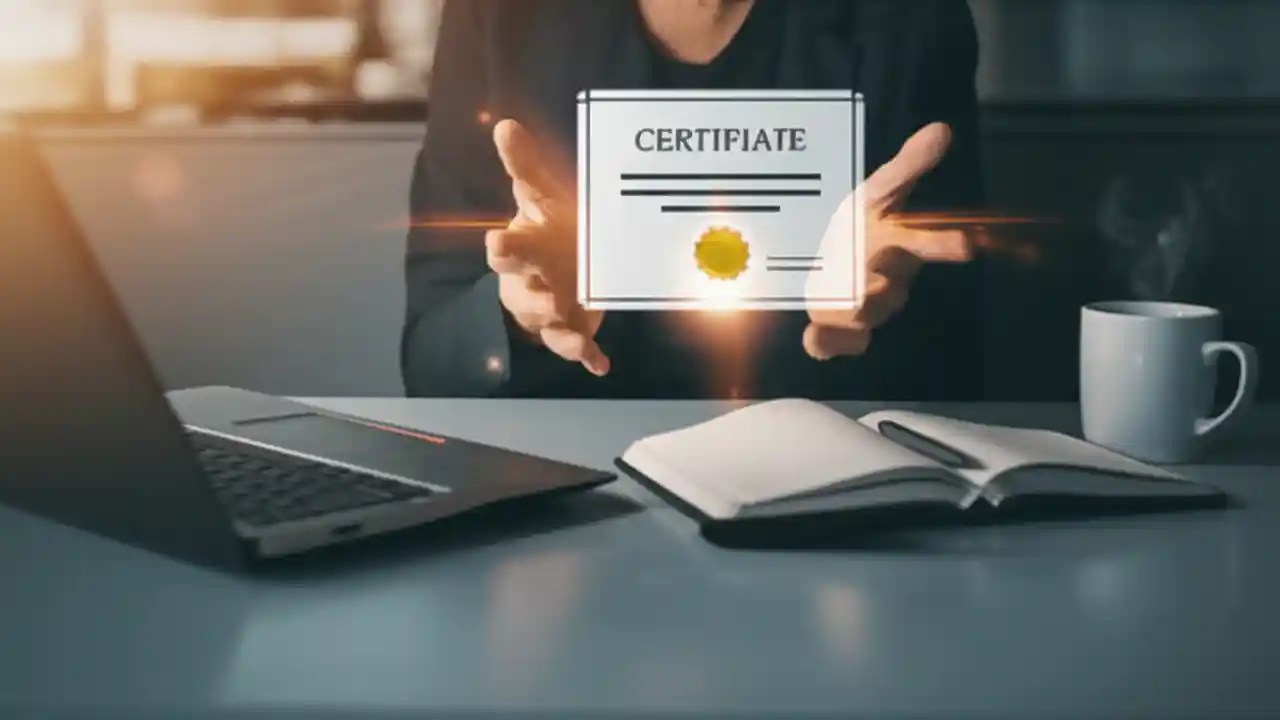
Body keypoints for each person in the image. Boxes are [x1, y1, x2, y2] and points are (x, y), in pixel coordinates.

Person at [403, 0, 984, 400]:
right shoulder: (501, 15)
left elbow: (960, 362)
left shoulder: (912, 18)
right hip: (560, 495)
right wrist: (518, 315)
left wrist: (885, 314)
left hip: (832, 487)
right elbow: (431, 360)